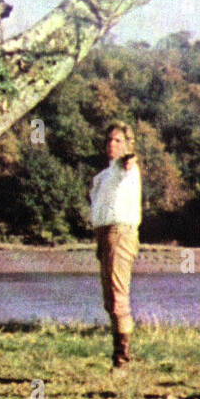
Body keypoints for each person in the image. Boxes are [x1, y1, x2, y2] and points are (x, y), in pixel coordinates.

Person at [90, 121, 142, 374]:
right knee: (110, 299)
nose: (112, 144)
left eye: (118, 140)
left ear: (128, 144)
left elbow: (128, 162)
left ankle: (122, 362)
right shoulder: (104, 175)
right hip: (104, 235)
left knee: (118, 297)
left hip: (119, 233)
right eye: (109, 140)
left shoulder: (126, 169)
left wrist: (129, 157)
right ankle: (118, 358)